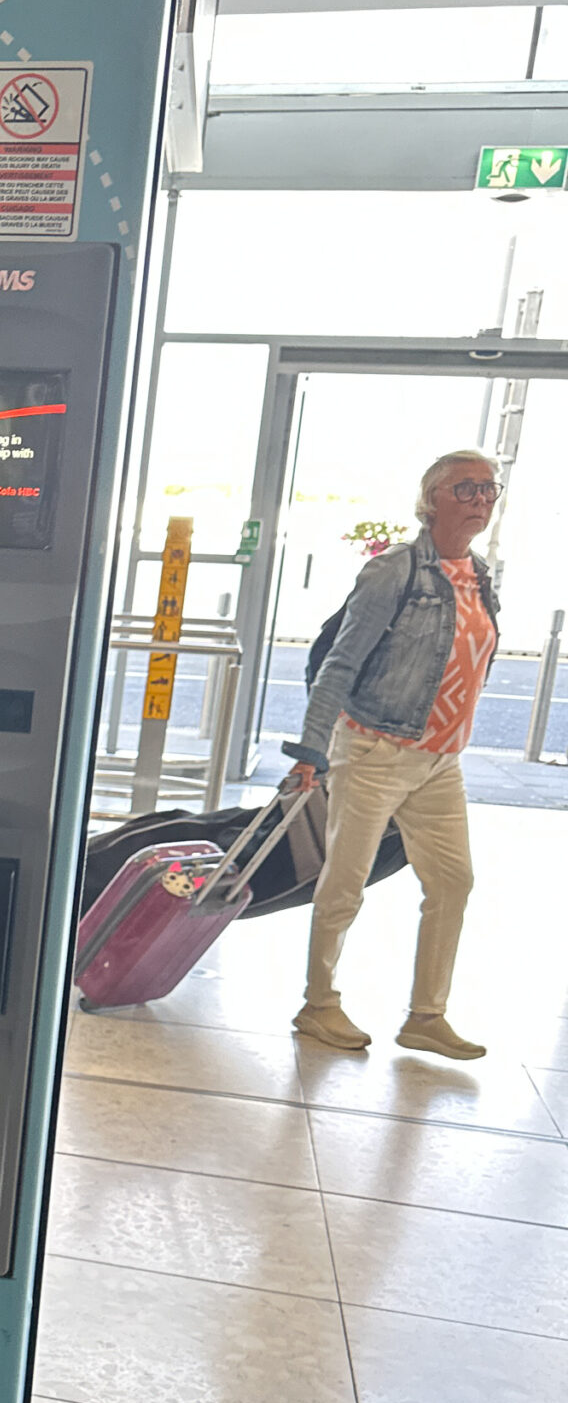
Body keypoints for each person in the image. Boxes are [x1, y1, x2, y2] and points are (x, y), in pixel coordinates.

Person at [283, 448, 501, 1059]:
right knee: (345, 883)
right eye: (467, 489)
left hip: (439, 761)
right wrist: (310, 750)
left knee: (454, 882)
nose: (481, 500)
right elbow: (340, 664)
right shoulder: (393, 571)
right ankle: (318, 1003)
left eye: (489, 489)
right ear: (432, 499)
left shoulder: (480, 574)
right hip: (375, 748)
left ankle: (426, 1016)